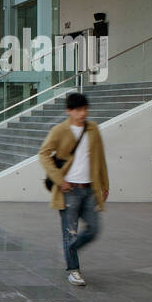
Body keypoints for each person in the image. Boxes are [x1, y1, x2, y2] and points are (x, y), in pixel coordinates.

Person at [38, 91, 109, 286]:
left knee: (94, 229)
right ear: (69, 111)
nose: (82, 114)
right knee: (70, 232)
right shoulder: (59, 130)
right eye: (78, 110)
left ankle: (67, 249)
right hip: (68, 191)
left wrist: (104, 184)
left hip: (89, 189)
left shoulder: (93, 129)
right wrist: (59, 179)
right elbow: (43, 154)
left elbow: (100, 159)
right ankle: (73, 270)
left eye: (85, 109)